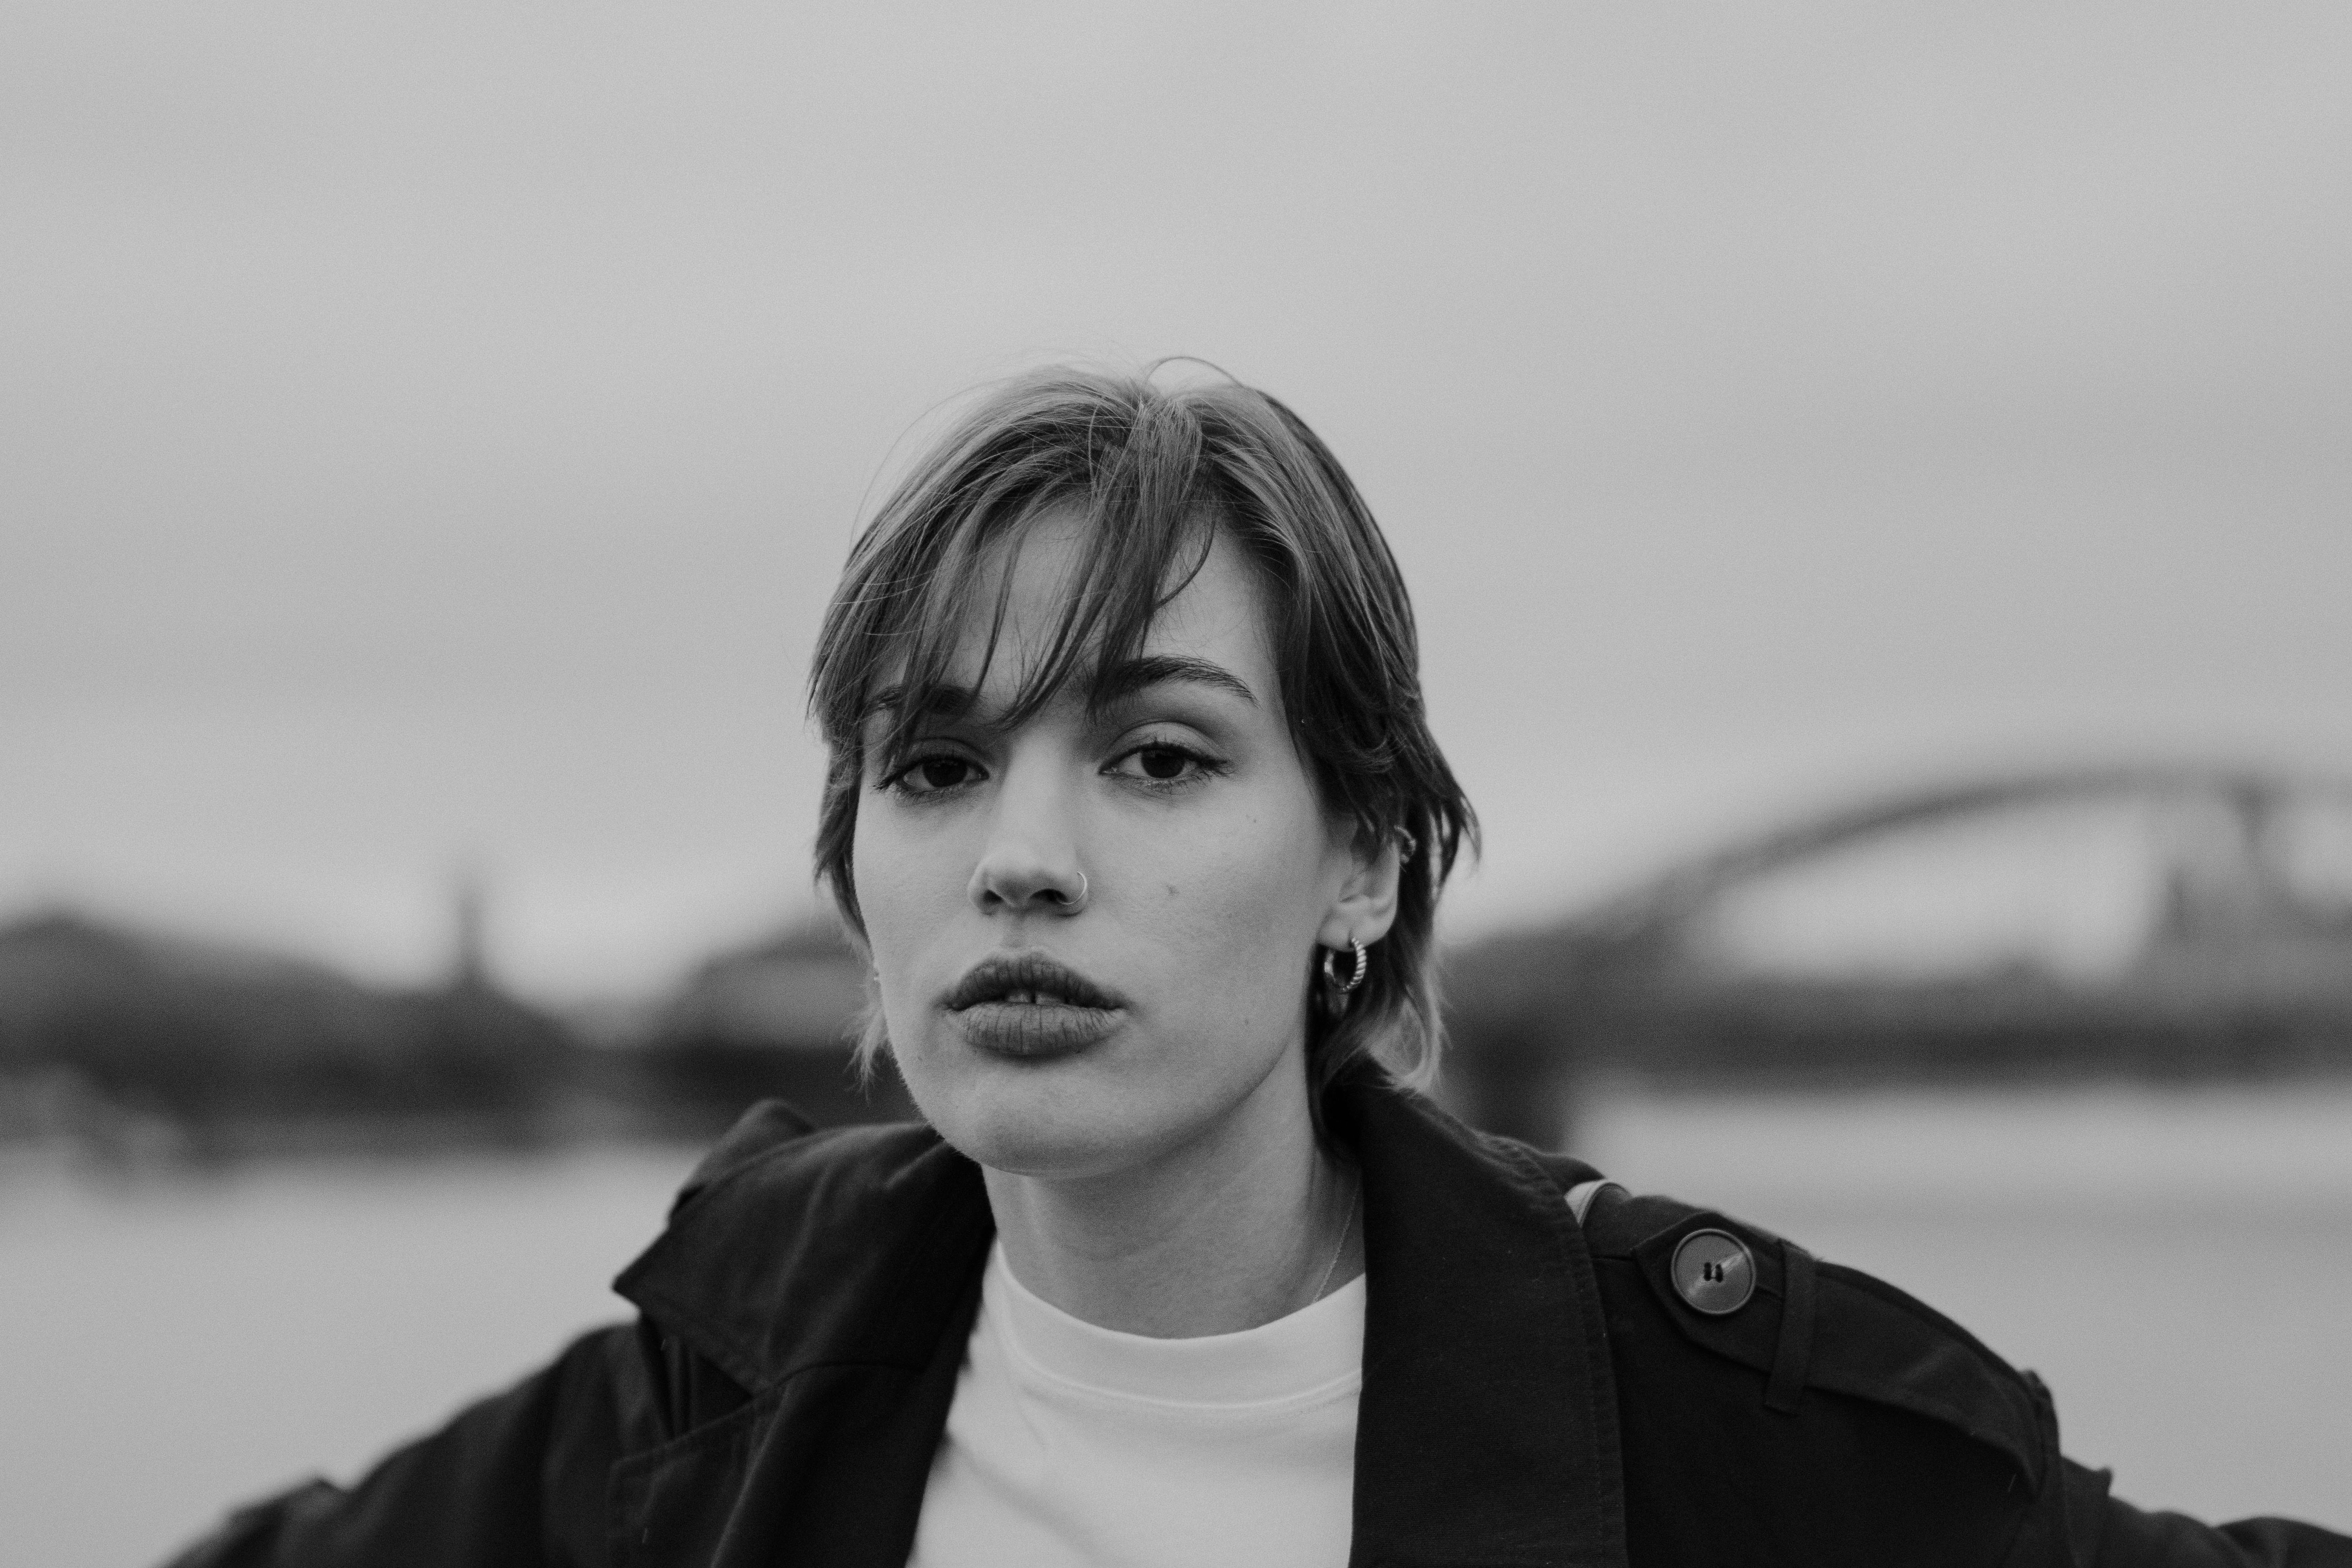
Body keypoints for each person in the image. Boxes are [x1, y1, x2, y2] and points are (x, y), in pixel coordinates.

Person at [167, 365, 2348, 1567]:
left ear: (1365, 867)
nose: (1023, 860)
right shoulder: (712, 1393)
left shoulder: (1727, 1435)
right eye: (934, 765)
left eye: (1158, 755)